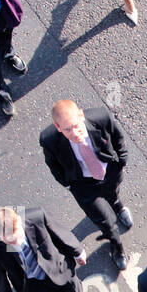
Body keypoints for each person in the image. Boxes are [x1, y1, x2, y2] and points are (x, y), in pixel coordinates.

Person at [39, 99, 131, 271]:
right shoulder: (49, 140)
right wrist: (68, 185)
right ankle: (117, 247)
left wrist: (122, 160)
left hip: (109, 172)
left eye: (76, 125)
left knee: (113, 194)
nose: (74, 133)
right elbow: (53, 165)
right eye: (67, 129)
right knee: (106, 223)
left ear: (81, 115)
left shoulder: (101, 117)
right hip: (83, 185)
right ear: (58, 127)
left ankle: (118, 207)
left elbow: (117, 136)